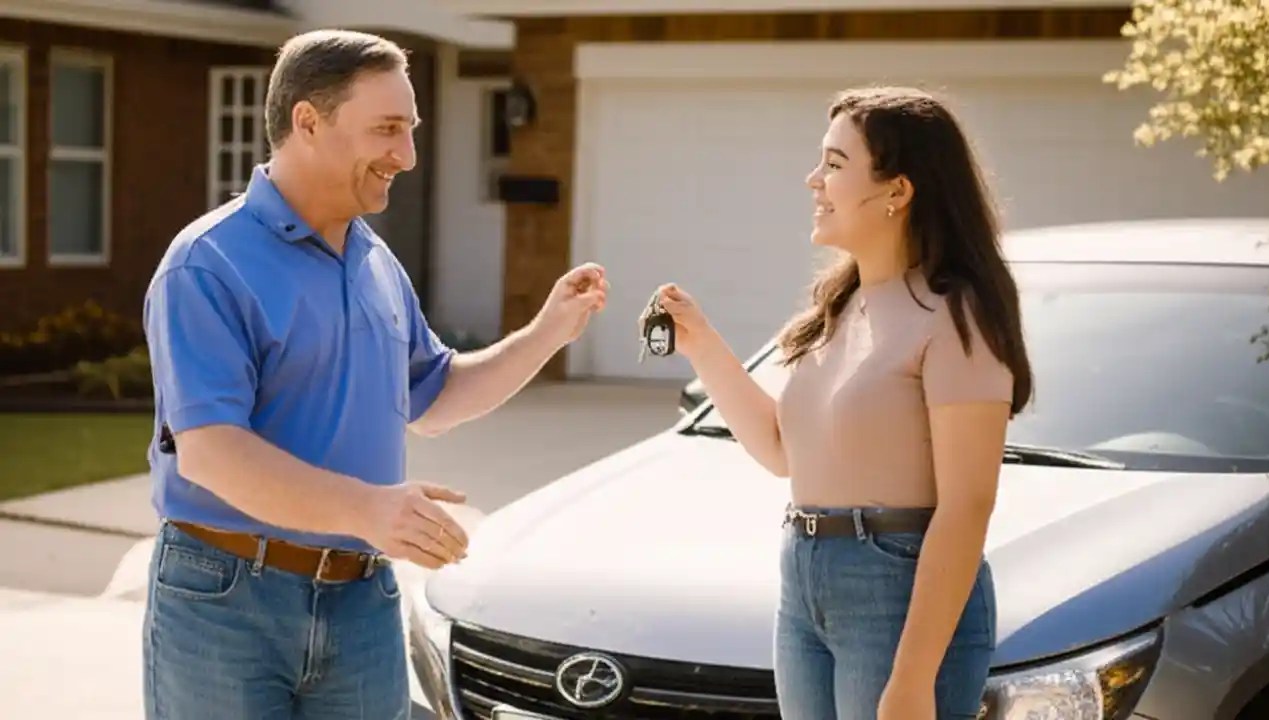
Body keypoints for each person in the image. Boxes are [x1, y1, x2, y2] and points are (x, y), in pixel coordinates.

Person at [141, 29, 607, 719]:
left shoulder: (375, 263)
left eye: (410, 130)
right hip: (225, 600)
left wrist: (546, 335)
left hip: (362, 603)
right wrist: (369, 508)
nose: (407, 156)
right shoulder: (208, 264)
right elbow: (211, 453)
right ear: (307, 121)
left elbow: (436, 397)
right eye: (387, 129)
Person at [649, 86, 1033, 719]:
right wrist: (701, 344)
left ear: (897, 192)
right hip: (804, 576)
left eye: (833, 163)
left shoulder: (956, 315)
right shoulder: (838, 306)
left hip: (895, 588)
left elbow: (968, 505)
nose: (812, 180)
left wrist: (912, 680)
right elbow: (780, 451)